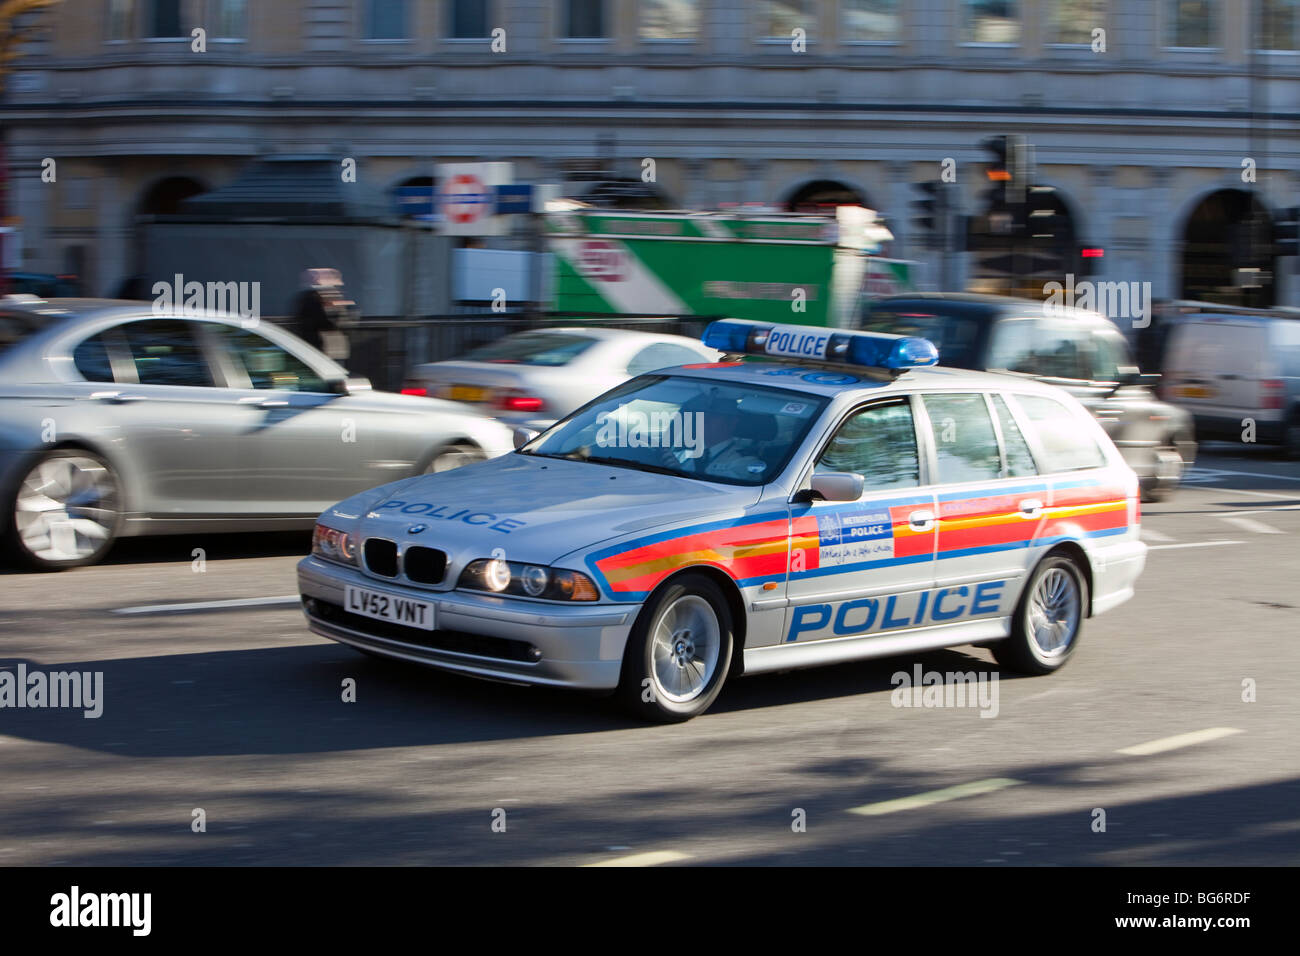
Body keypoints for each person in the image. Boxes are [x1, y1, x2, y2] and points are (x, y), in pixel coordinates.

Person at [291, 268, 355, 360]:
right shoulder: (312, 297)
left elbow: (339, 322)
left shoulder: (332, 296)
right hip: (322, 347)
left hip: (328, 348)